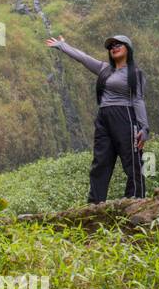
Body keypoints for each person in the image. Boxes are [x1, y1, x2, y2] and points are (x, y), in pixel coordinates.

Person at [45, 33, 149, 203]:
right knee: (101, 161)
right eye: (111, 46)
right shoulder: (103, 69)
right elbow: (83, 58)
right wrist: (62, 46)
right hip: (104, 118)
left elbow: (138, 100)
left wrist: (144, 128)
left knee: (132, 161)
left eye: (118, 45)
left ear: (128, 49)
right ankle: (95, 203)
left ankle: (135, 199)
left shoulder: (135, 73)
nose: (113, 48)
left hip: (125, 117)